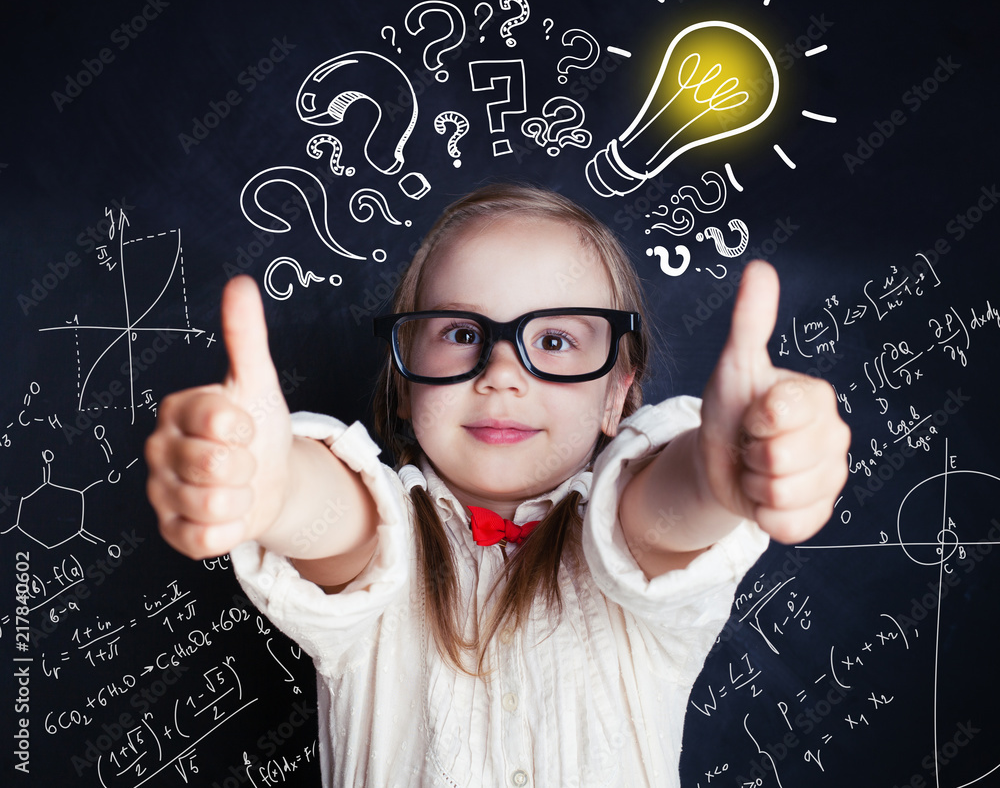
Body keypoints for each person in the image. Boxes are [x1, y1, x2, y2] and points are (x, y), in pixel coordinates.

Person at [145, 183, 850, 787]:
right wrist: (277, 492)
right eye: (459, 332)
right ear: (402, 388)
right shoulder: (378, 551)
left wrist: (714, 473)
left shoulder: (630, 542)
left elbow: (658, 517)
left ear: (617, 398)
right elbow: (340, 524)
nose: (501, 372)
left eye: (555, 341)